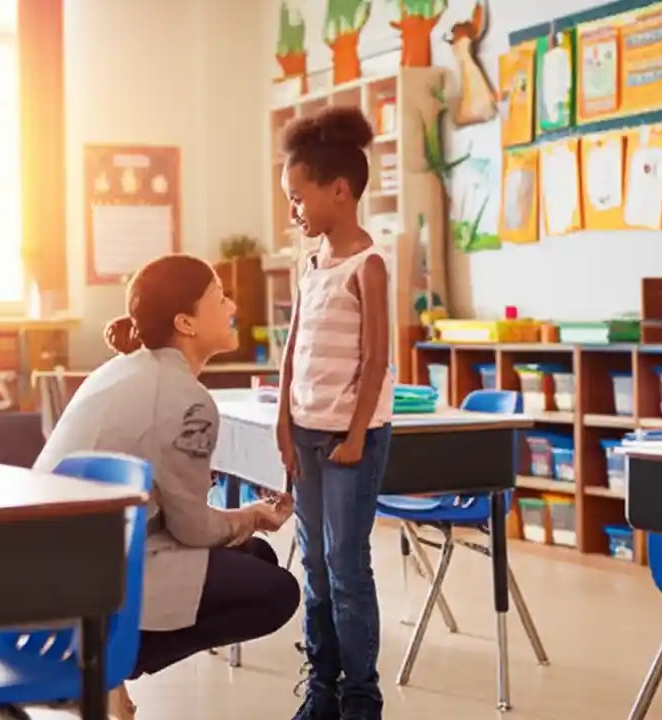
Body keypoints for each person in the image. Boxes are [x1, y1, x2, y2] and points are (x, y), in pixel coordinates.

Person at [32, 254, 300, 719]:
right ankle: (94, 669)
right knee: (277, 592)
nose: (233, 306)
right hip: (90, 574)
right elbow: (194, 529)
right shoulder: (184, 398)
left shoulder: (126, 368)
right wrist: (252, 516)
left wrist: (242, 523)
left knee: (255, 556)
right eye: (220, 299)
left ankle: (101, 664)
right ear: (185, 322)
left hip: (59, 562)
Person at [276, 106, 394, 720]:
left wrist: (352, 437)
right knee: (316, 568)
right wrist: (282, 424)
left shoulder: (367, 264)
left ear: (339, 191)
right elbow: (293, 347)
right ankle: (320, 690)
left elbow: (376, 359)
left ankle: (359, 699)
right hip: (305, 432)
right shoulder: (312, 264)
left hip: (352, 442)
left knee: (347, 568)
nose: (293, 210)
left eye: (298, 197)